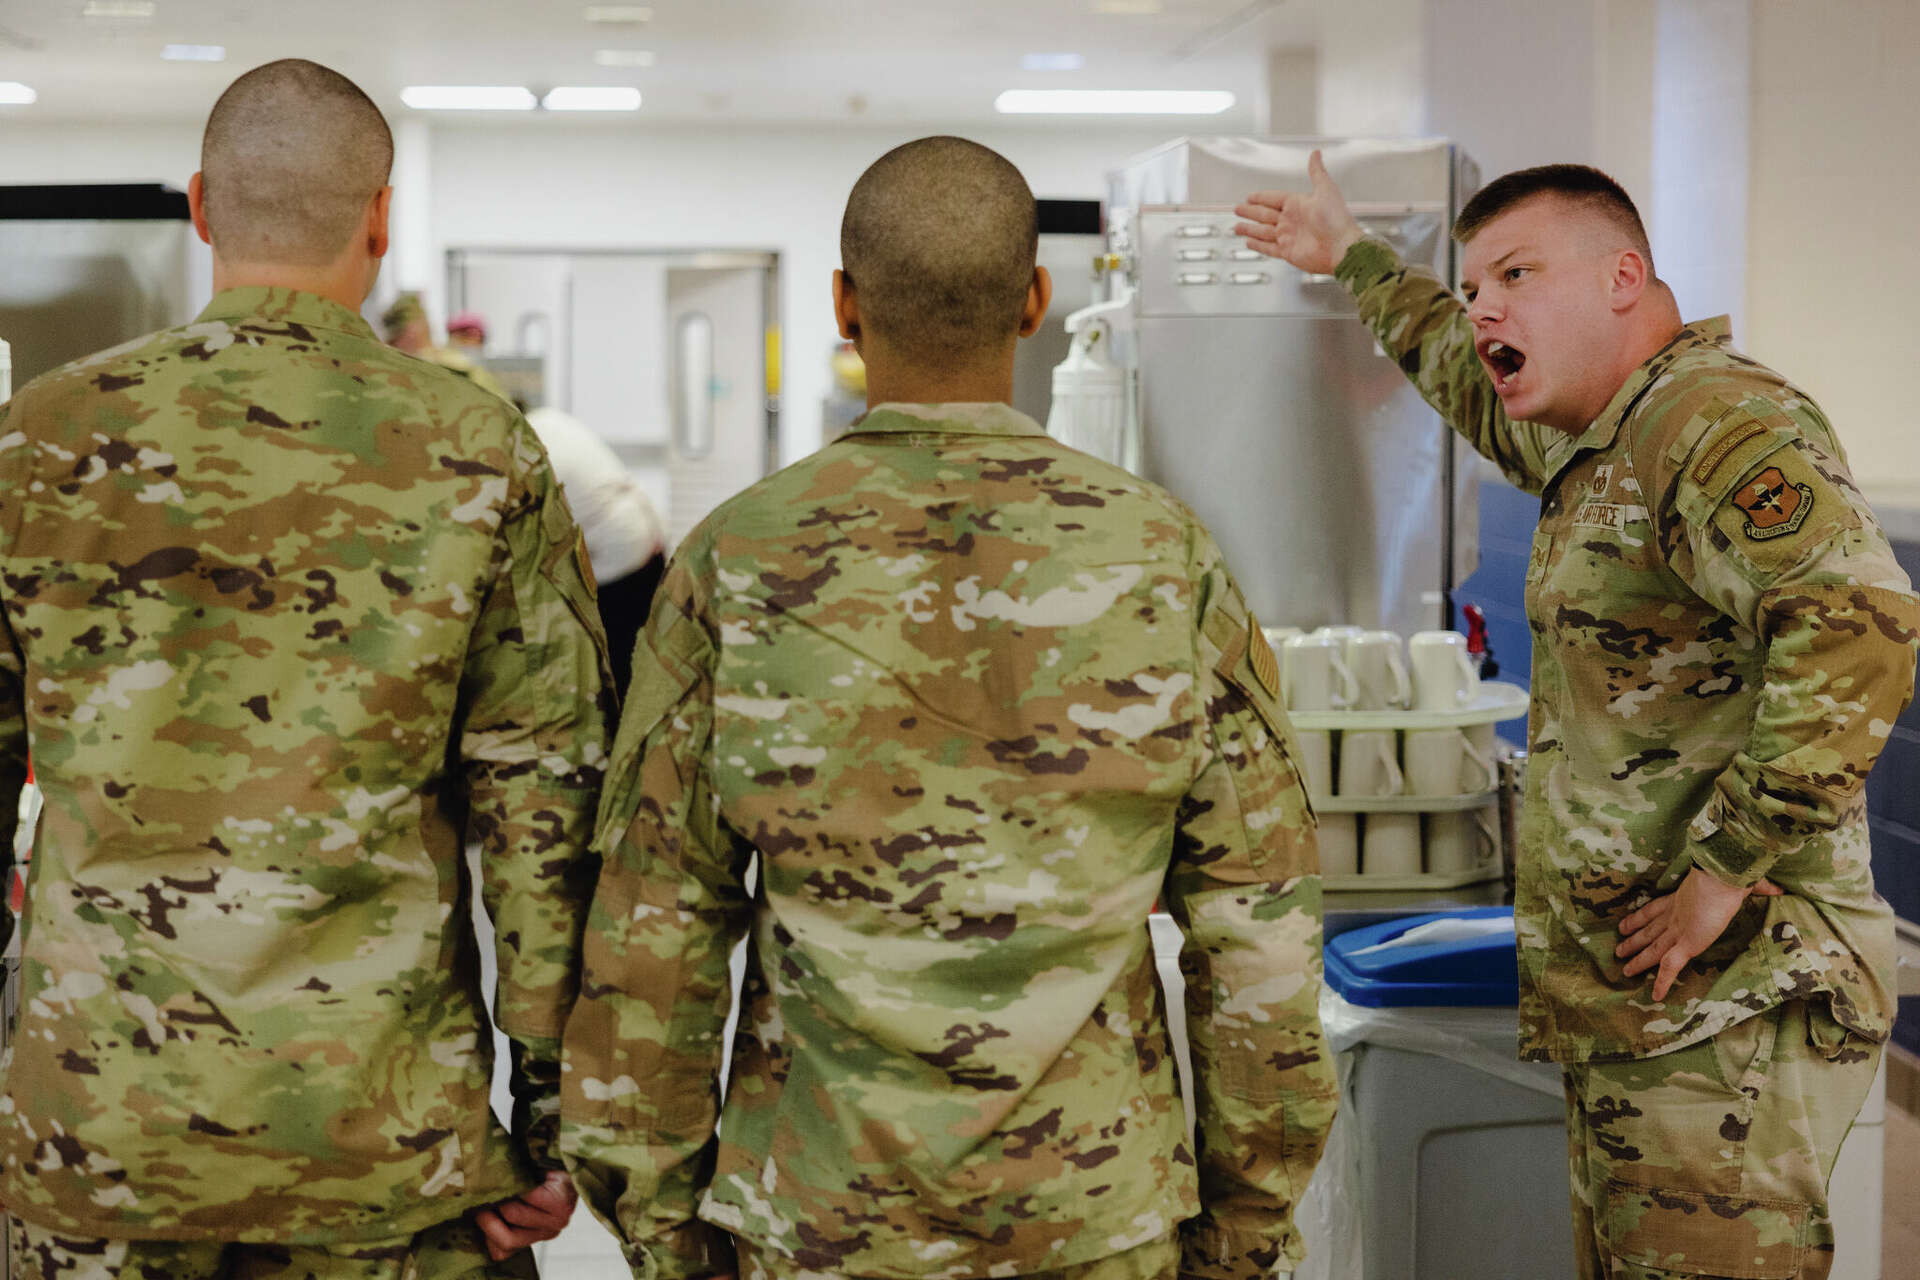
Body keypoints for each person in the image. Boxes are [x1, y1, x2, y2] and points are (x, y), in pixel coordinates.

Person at [561, 135, 1336, 1280]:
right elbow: (1257, 928)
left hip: (818, 1221)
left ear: (842, 303)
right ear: (1036, 300)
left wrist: (662, 1225)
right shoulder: (1162, 556)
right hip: (1095, 1217)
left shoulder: (737, 562)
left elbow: (653, 931)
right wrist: (1245, 1224)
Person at [1236, 155, 1919, 1278]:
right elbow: (1465, 372)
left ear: (1623, 275)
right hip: (1643, 1004)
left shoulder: (1712, 421)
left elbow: (1859, 625)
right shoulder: (1600, 434)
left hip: (1728, 1005)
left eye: (1516, 271)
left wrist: (1726, 863)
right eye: (1472, 284)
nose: (1485, 305)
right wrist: (1354, 258)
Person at [0, 58, 613, 1278]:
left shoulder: (37, 440)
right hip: (385, 1145)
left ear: (200, 207)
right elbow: (545, 809)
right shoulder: (475, 449)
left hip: (98, 1135)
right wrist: (555, 1128)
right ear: (380, 218)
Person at [522, 405, 668, 694]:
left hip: (619, 555)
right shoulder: (551, 419)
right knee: (637, 654)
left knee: (618, 662)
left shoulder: (525, 450)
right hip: (646, 534)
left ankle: (622, 729)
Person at [383, 291, 512, 402]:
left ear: (412, 330)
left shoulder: (457, 369)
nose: (391, 346)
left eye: (395, 340)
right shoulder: (461, 366)